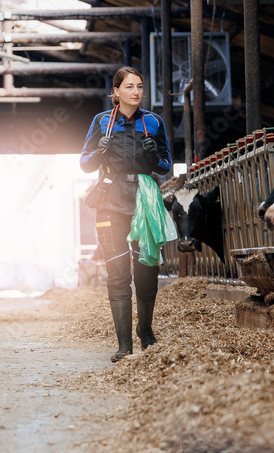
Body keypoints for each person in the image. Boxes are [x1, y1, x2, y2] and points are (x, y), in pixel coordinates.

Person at [79, 67, 172, 362]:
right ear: (116, 91)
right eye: (129, 86)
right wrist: (99, 153)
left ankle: (146, 332)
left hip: (145, 202)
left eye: (140, 86)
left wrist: (153, 154)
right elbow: (84, 164)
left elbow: (166, 165)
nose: (136, 91)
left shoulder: (153, 122)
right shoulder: (102, 122)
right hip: (110, 201)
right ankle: (123, 346)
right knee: (119, 273)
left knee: (147, 269)